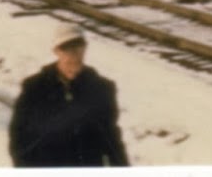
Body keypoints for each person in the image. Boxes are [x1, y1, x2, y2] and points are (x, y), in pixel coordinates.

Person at [8, 22, 129, 168]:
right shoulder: (34, 88)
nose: (73, 54)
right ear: (56, 51)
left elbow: (111, 137)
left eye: (78, 47)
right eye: (66, 49)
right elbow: (19, 137)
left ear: (85, 48)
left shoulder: (101, 89)